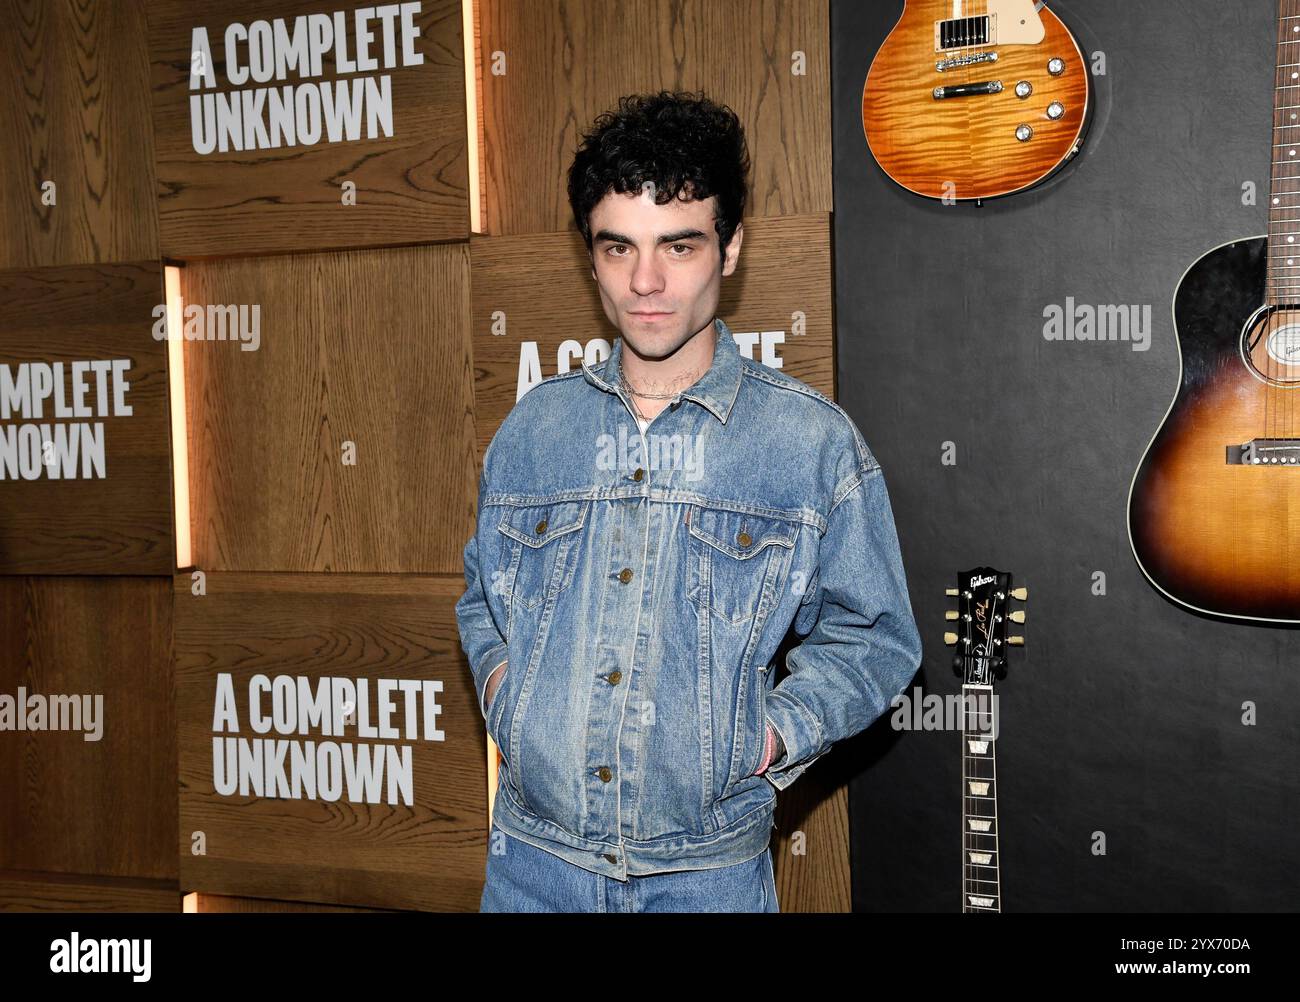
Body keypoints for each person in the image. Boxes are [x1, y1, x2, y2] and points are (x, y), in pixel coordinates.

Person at [455, 90, 921, 912]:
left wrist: (769, 737)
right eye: (617, 248)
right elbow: (480, 601)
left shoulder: (808, 444)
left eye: (679, 245)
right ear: (588, 257)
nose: (646, 281)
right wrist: (506, 692)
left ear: (730, 247)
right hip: (530, 870)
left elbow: (876, 638)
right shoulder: (534, 430)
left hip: (708, 880)